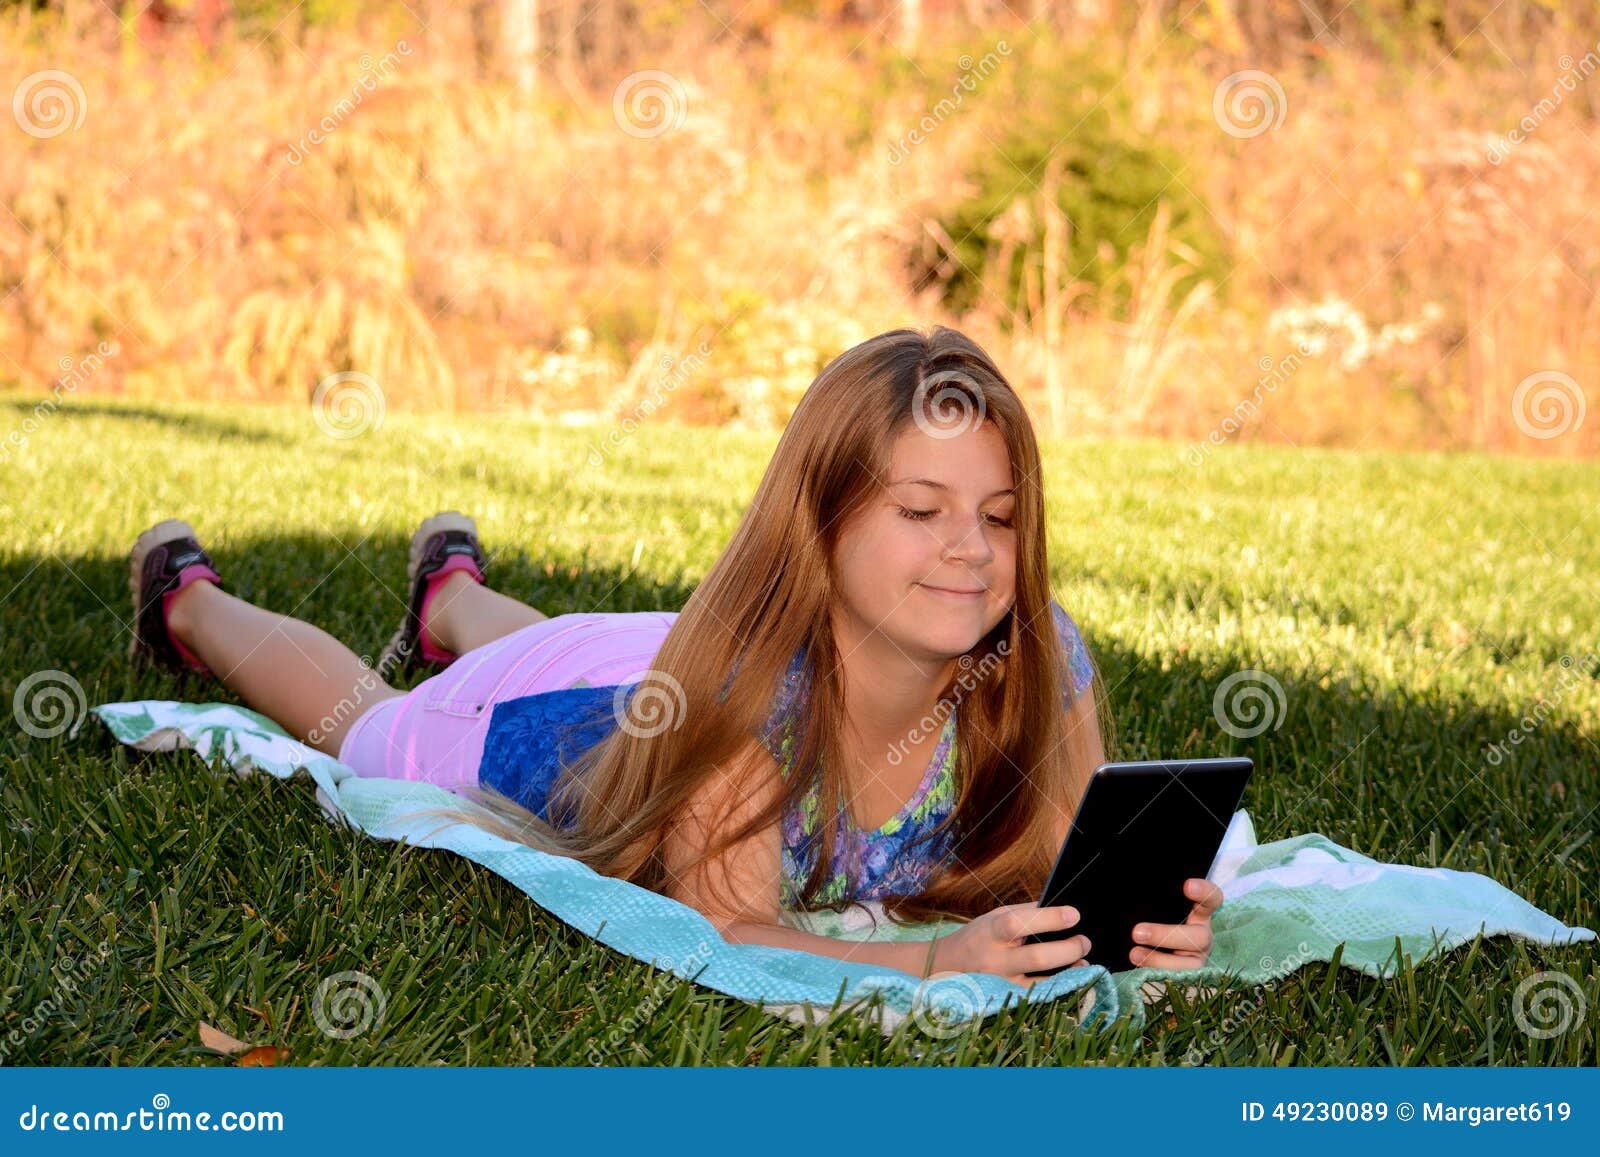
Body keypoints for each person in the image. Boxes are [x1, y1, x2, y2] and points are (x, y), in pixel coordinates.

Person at [126, 326, 1223, 986]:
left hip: (652, 657)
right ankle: (194, 604)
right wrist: (937, 959)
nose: (971, 551)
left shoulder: (1038, 657)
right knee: (362, 721)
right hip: (569, 706)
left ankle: (452, 598)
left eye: (998, 513)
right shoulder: (753, 704)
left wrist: (1143, 915)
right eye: (922, 508)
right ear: (821, 523)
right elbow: (726, 927)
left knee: (569, 646)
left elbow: (1068, 869)